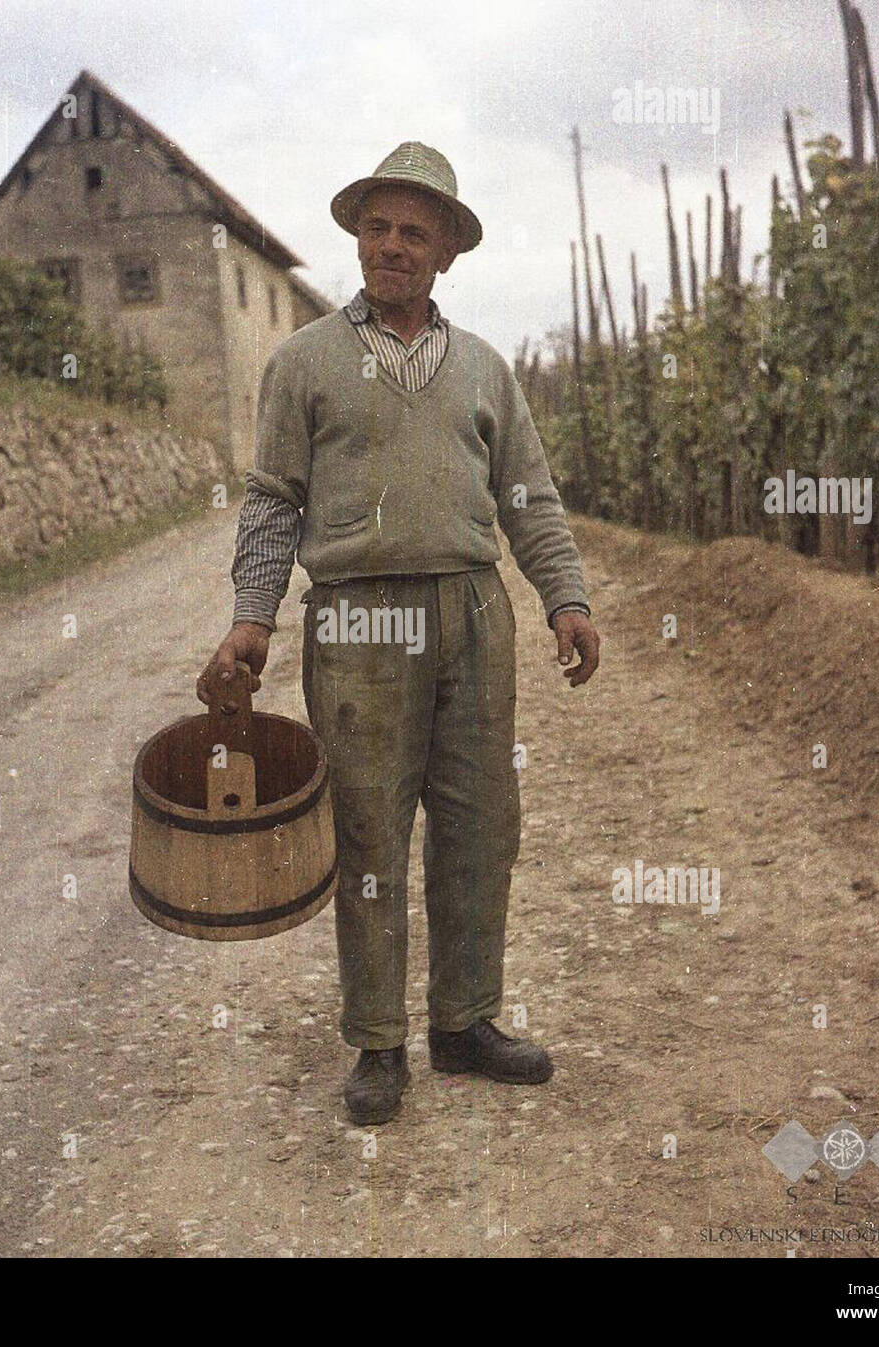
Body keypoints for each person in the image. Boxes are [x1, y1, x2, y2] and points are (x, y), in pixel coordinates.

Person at [197, 142, 600, 1125]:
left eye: (413, 232)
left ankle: (464, 1022)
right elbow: (272, 503)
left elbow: (529, 500)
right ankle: (378, 1042)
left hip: (471, 611)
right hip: (357, 618)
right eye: (377, 227)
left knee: (477, 825)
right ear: (359, 240)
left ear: (446, 253)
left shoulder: (484, 373)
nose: (391, 246)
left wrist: (566, 598)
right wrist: (252, 618)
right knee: (369, 828)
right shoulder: (304, 365)